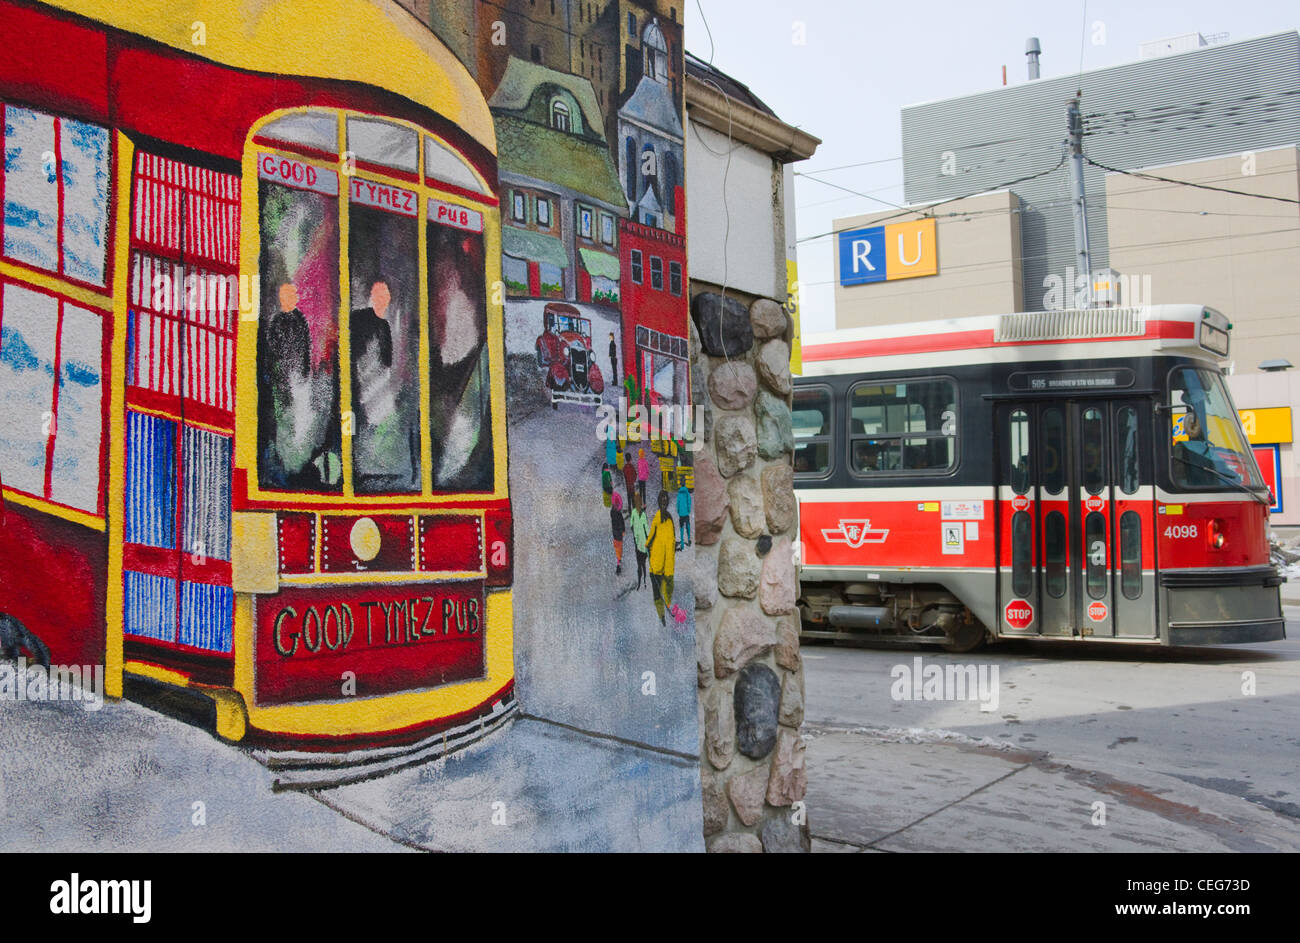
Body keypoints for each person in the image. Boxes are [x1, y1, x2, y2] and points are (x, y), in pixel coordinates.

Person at [646, 490, 676, 625]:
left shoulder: (669, 518)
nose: (664, 502)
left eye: (665, 500)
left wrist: (675, 546)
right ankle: (661, 615)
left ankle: (668, 605)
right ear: (659, 502)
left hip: (668, 563)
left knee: (669, 585)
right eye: (662, 500)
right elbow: (651, 536)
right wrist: (647, 546)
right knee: (657, 593)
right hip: (657, 563)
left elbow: (672, 538)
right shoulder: (657, 518)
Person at [631, 492, 650, 591]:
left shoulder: (634, 512)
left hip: (638, 543)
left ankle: (639, 583)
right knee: (643, 564)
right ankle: (645, 582)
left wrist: (635, 533)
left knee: (639, 565)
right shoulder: (643, 514)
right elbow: (646, 528)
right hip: (644, 543)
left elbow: (631, 524)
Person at [610, 490, 625, 575]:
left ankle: (618, 560)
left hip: (614, 532)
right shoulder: (618, 514)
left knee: (617, 547)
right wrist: (623, 530)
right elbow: (621, 523)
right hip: (619, 533)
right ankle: (619, 563)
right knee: (619, 547)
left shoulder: (612, 512)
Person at [676, 484, 692, 549]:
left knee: (681, 528)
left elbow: (678, 503)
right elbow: (689, 502)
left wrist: (678, 511)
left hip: (681, 514)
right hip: (686, 514)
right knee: (688, 526)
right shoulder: (687, 493)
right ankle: (688, 540)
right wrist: (689, 510)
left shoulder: (679, 494)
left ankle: (682, 544)